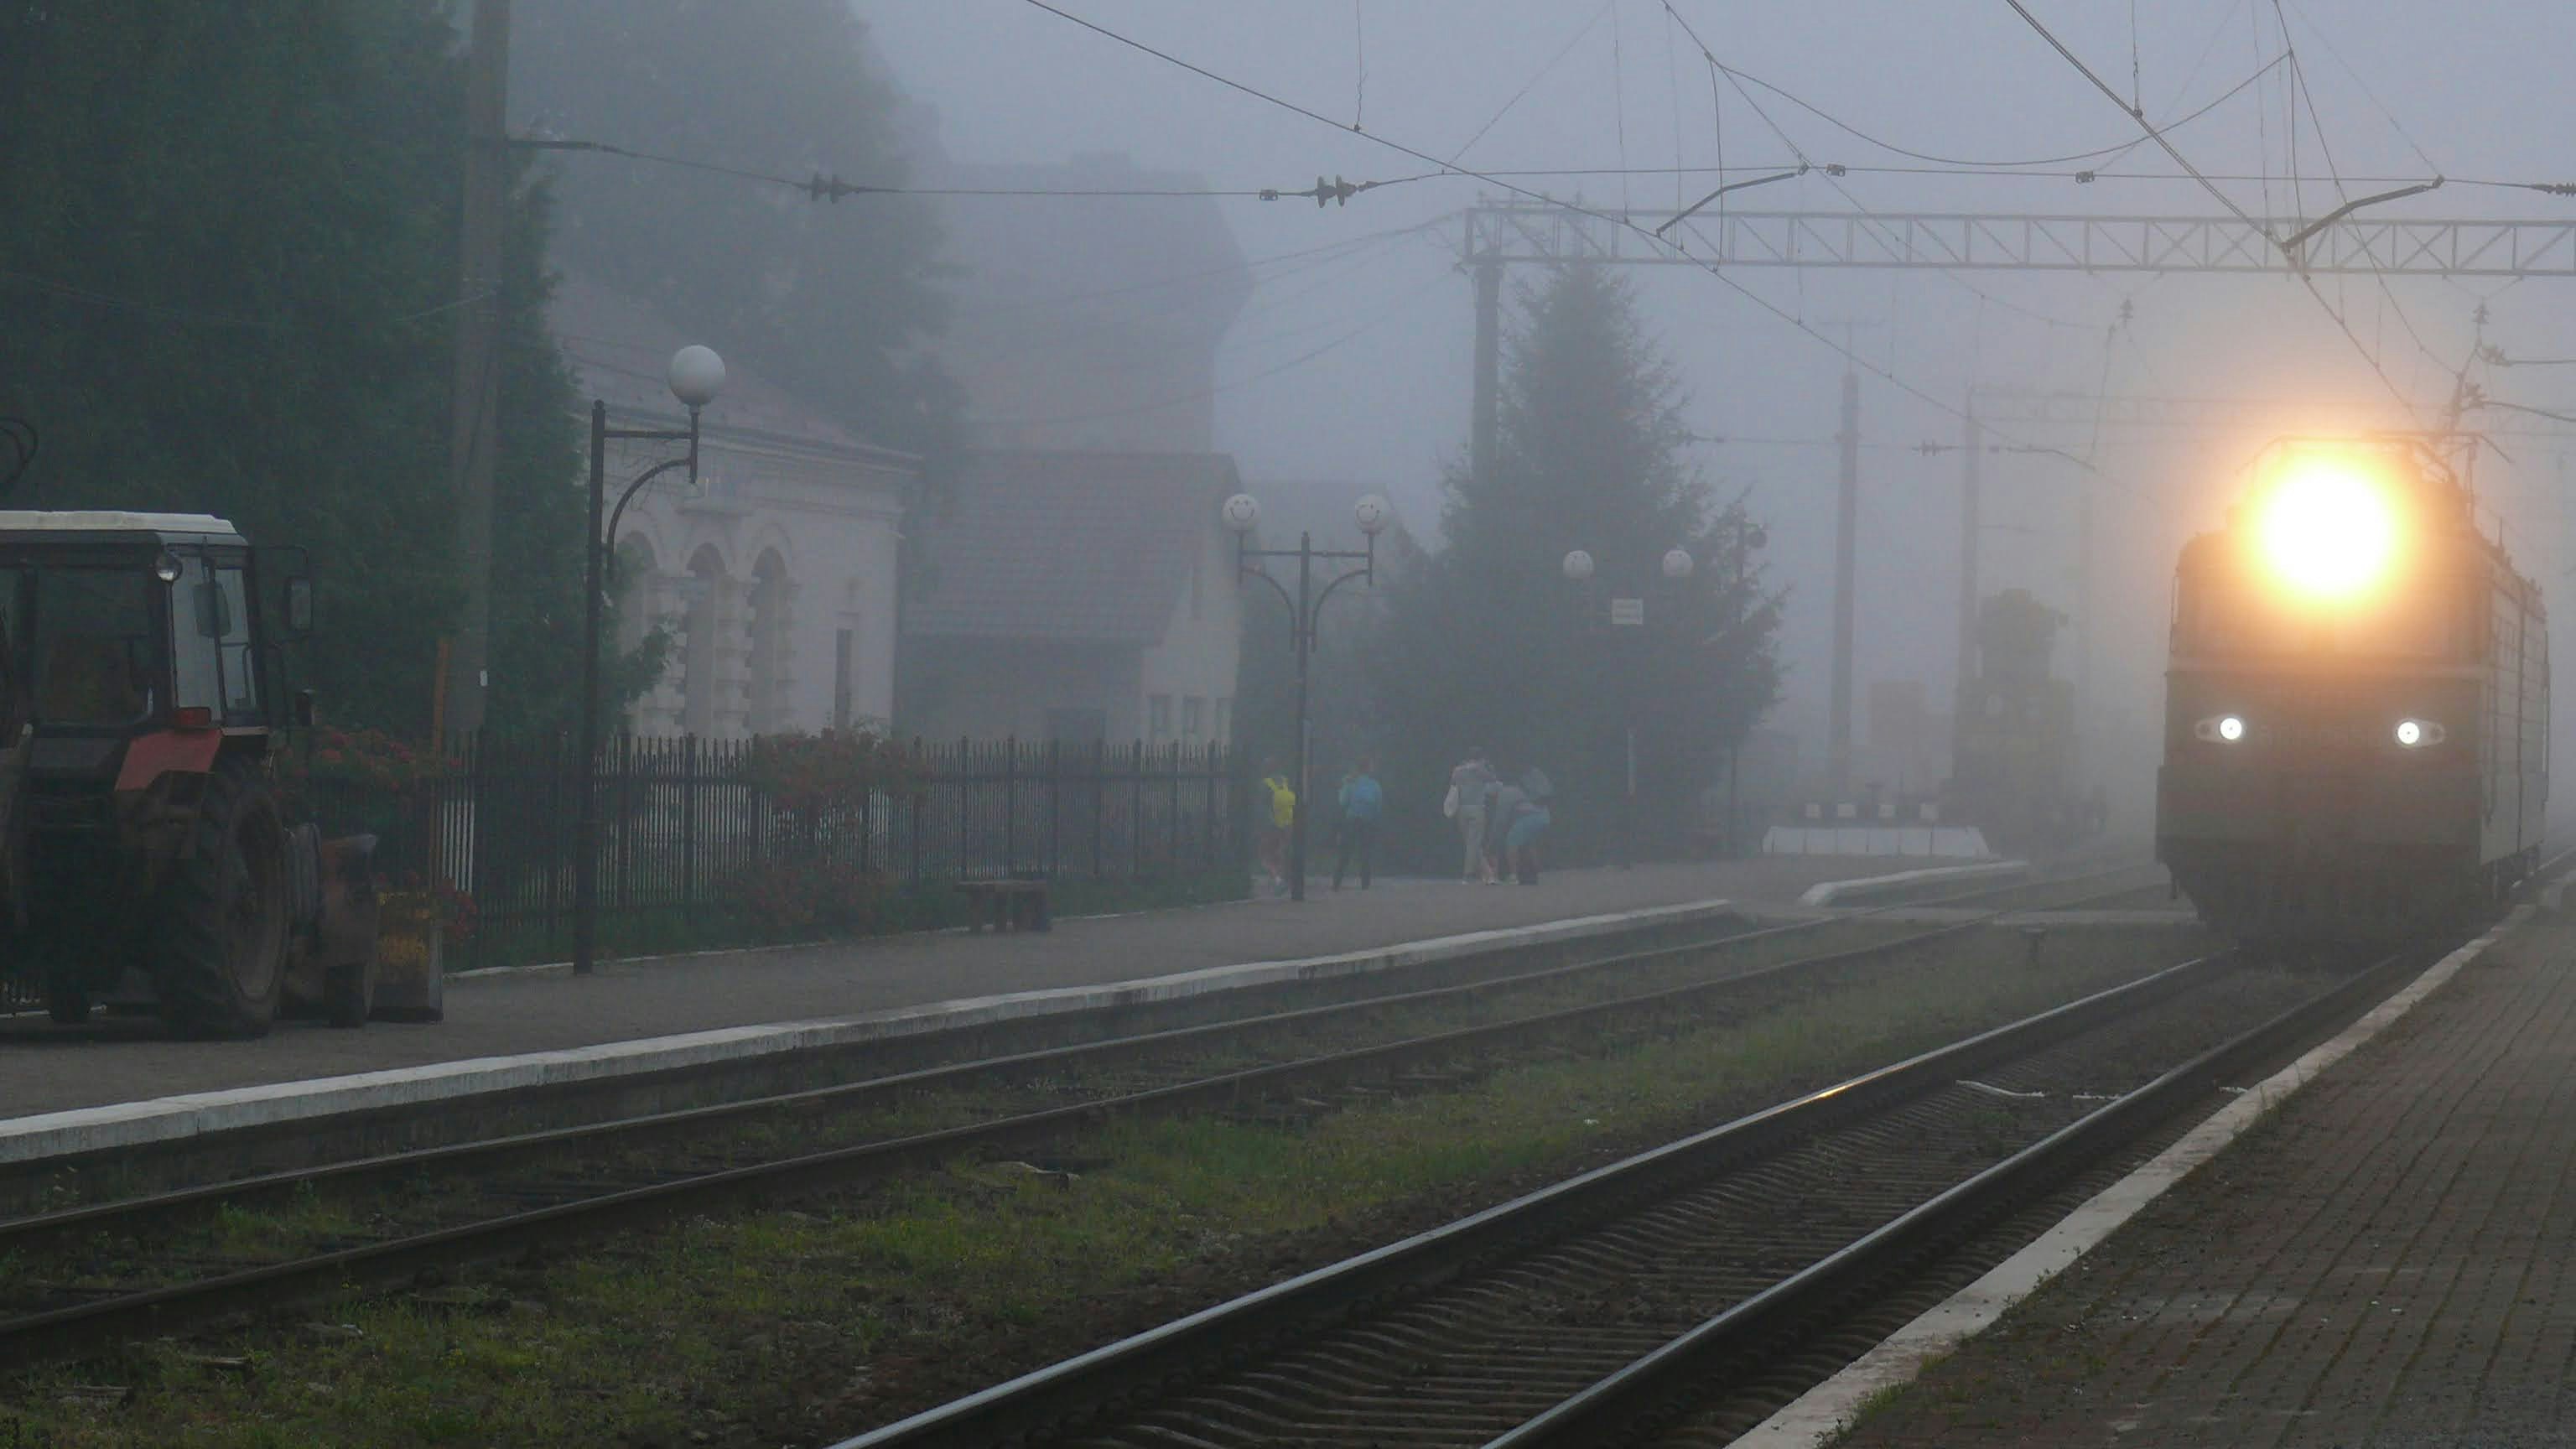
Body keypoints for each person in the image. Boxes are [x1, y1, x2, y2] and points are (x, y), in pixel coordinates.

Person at [1446, 748, 1497, 884]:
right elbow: (1493, 779)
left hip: (1461, 809)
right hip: (1477, 808)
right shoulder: (1479, 770)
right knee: (1474, 843)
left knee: (1471, 844)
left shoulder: (1458, 770)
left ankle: (1489, 875)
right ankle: (1467, 875)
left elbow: (1453, 783)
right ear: (1480, 758)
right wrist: (1488, 767)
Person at [1332, 758, 1383, 890]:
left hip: (1352, 821)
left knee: (1345, 853)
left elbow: (1343, 802)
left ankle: (1336, 883)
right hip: (1367, 822)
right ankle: (1365, 884)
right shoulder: (1375, 785)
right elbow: (1378, 806)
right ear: (1368, 768)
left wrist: (1343, 786)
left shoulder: (1351, 783)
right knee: (1365, 853)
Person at [1256, 761, 1296, 897]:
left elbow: (1262, 807)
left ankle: (1279, 880)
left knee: (1265, 853)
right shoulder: (1285, 781)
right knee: (1281, 850)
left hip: (1272, 824)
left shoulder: (1264, 784)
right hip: (1288, 821)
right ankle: (1286, 877)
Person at [1504, 792, 1551, 885]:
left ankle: (1514, 876)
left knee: (1511, 842)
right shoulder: (1522, 790)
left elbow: (1501, 819)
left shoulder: (1505, 795)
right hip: (1545, 815)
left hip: (1531, 817)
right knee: (1530, 843)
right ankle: (1537, 872)